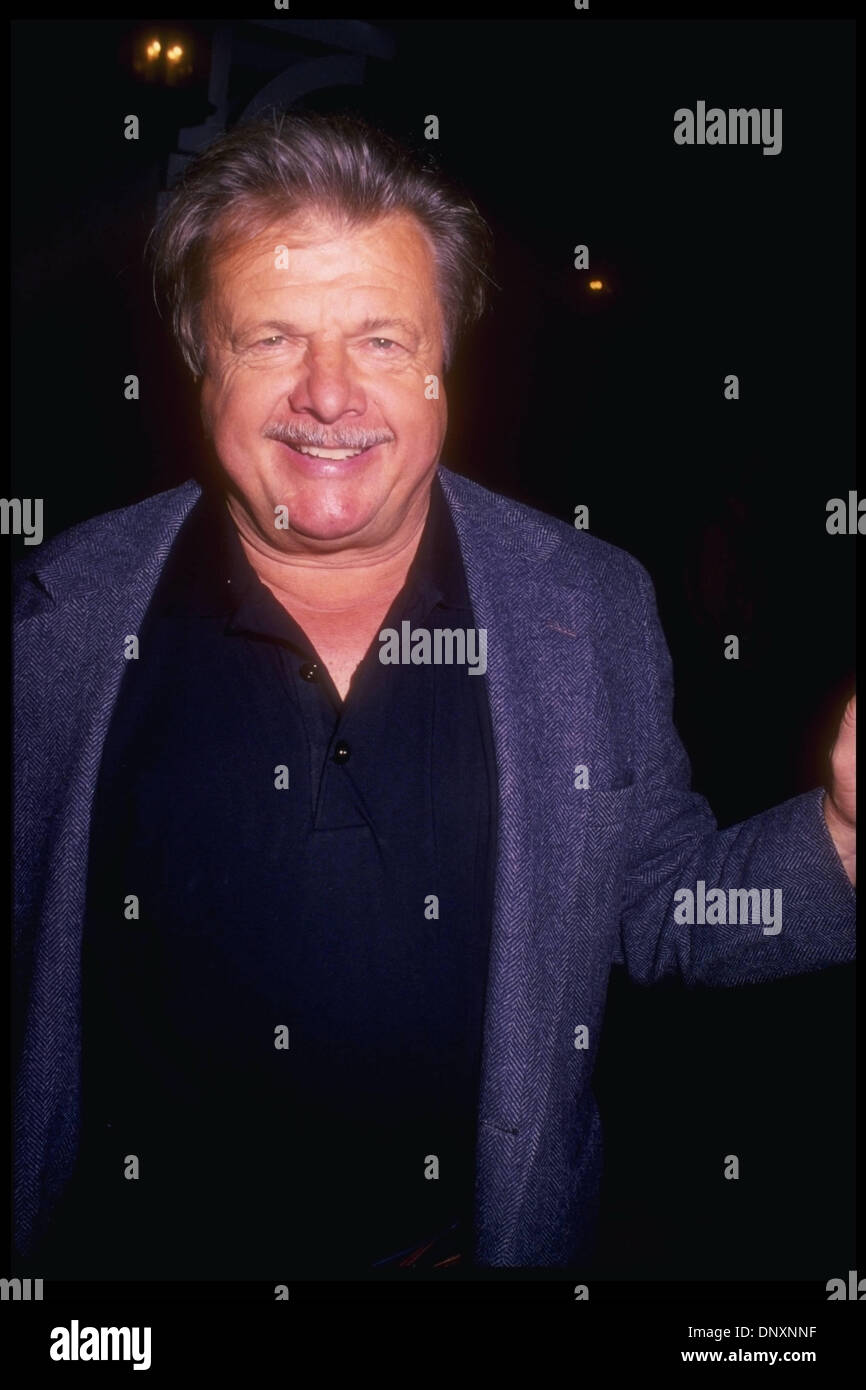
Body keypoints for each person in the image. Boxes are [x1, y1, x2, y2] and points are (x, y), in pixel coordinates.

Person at [13, 109, 856, 1280]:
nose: (326, 395)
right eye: (269, 338)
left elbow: (663, 912)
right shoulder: (51, 616)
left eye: (378, 340)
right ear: (201, 360)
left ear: (441, 363)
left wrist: (842, 835)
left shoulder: (590, 606)